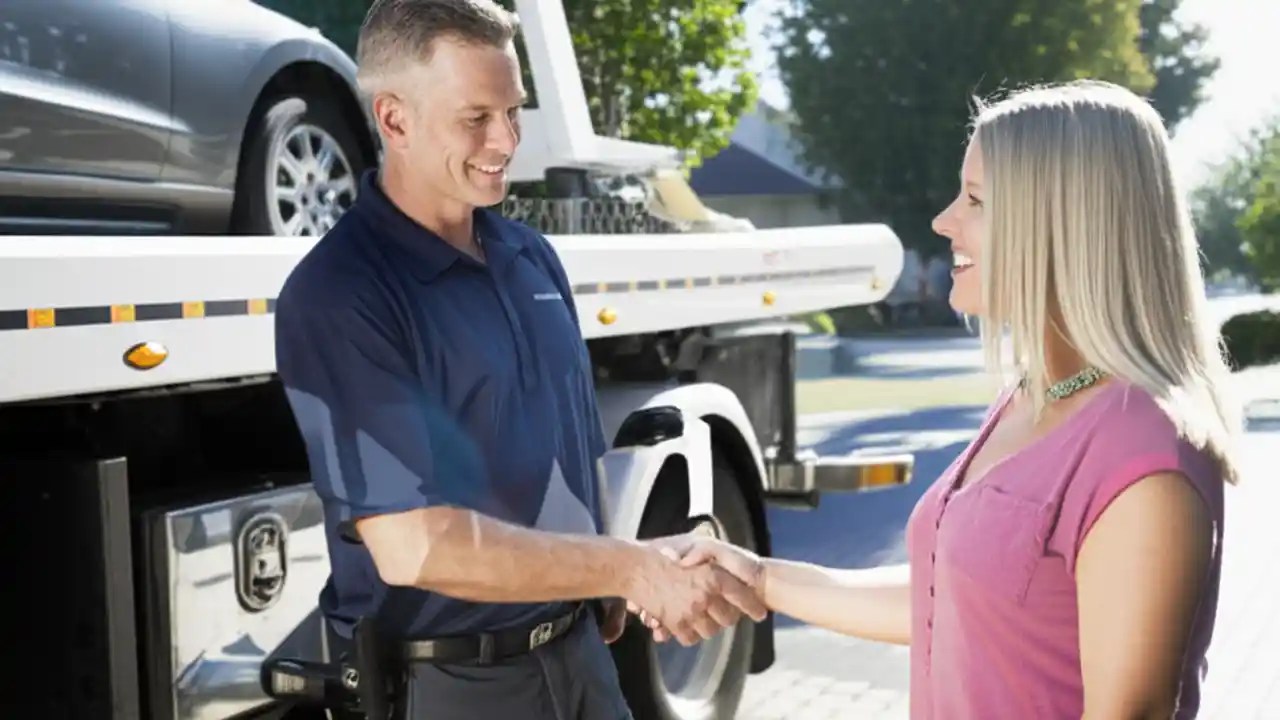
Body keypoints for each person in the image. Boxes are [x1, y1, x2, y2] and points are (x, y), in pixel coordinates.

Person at [647, 80, 1242, 719]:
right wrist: (759, 577)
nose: (944, 221)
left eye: (977, 200)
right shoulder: (1028, 399)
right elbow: (951, 598)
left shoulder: (1144, 458)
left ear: (1062, 223)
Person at [272, 1, 766, 717]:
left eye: (515, 111)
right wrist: (627, 565)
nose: (505, 139)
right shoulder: (342, 293)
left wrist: (599, 577)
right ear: (394, 119)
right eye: (476, 117)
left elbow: (572, 436)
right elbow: (416, 547)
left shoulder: (530, 257)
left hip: (580, 658)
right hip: (451, 687)